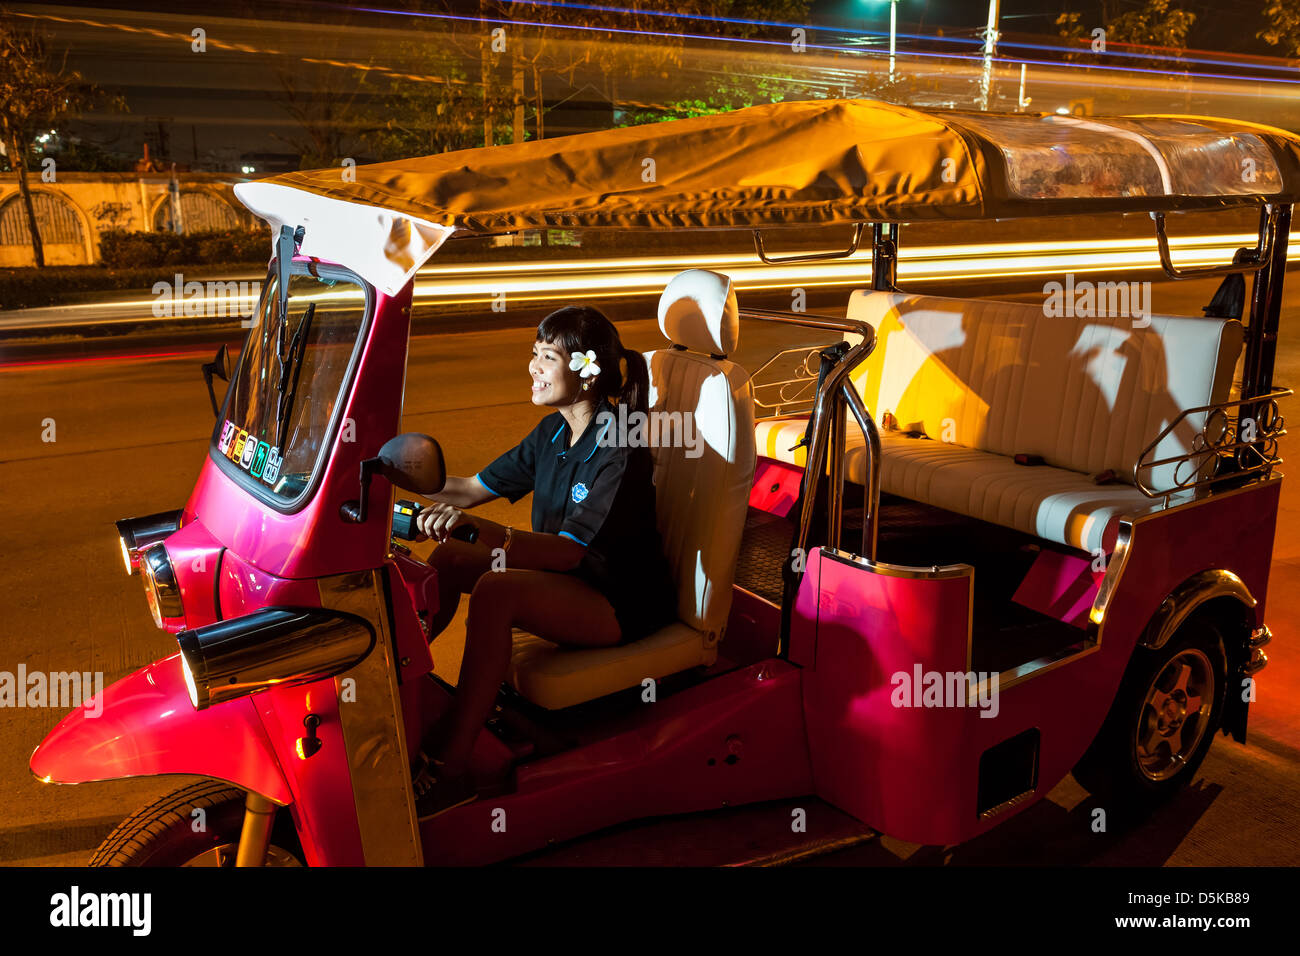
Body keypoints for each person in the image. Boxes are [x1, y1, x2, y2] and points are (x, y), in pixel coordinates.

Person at [410, 305, 678, 819]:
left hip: (617, 601)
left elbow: (569, 551)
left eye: (547, 356)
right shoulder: (551, 433)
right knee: (448, 558)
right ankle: (405, 693)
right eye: (534, 353)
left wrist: (482, 533)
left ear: (587, 370)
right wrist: (379, 474)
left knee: (495, 589)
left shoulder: (618, 441)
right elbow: (467, 490)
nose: (532, 366)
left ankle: (453, 766)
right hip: (568, 582)